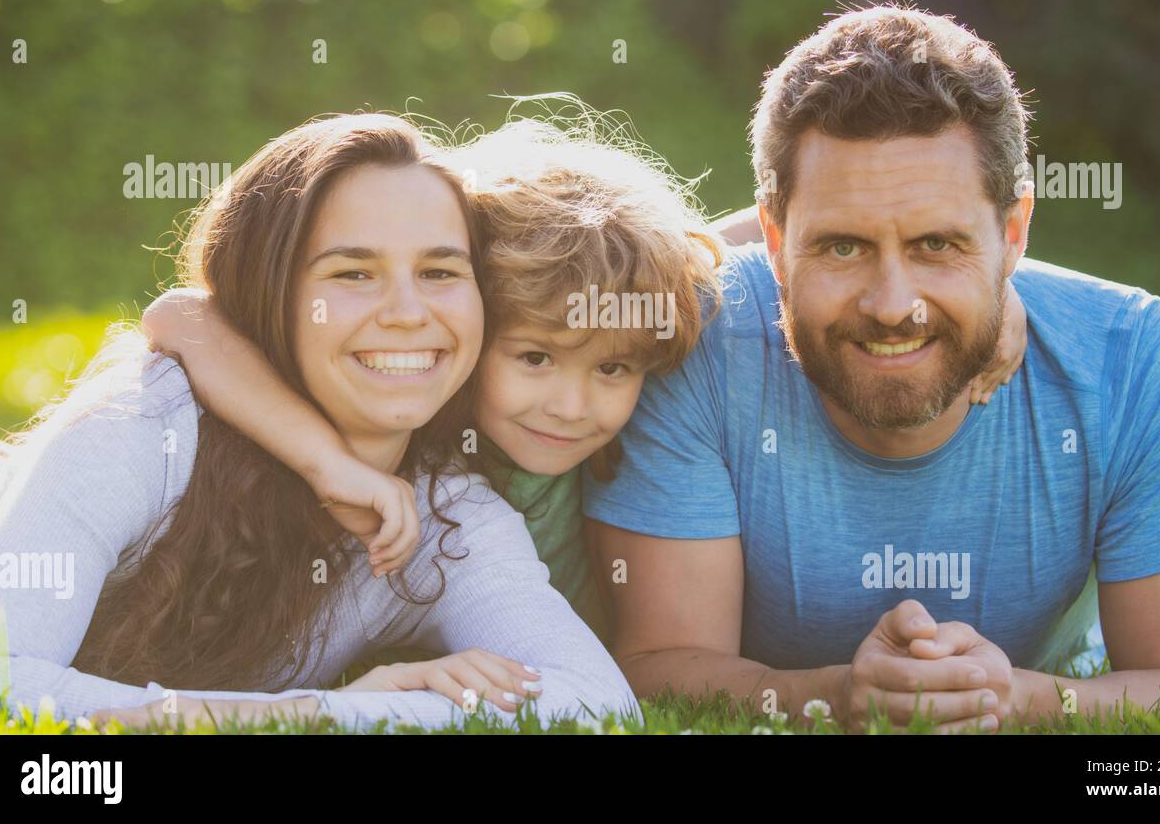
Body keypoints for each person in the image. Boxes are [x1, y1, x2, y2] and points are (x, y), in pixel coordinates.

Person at [125, 104, 1027, 663]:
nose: (571, 403)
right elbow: (179, 313)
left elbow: (753, 247)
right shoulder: (399, 417)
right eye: (532, 359)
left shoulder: (629, 360)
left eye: (613, 371)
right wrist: (328, 461)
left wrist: (997, 297)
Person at [581, 4, 1160, 732]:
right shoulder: (695, 341)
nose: (892, 304)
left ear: (1014, 232)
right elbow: (660, 663)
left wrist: (1016, 701)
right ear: (773, 240)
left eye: (937, 244)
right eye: (842, 246)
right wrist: (837, 699)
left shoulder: (1133, 357)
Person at [0, 113, 636, 730]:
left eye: (439, 271)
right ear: (270, 294)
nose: (408, 312)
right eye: (353, 273)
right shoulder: (146, 426)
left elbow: (597, 701)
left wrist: (362, 715)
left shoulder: (447, 518)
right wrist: (320, 713)